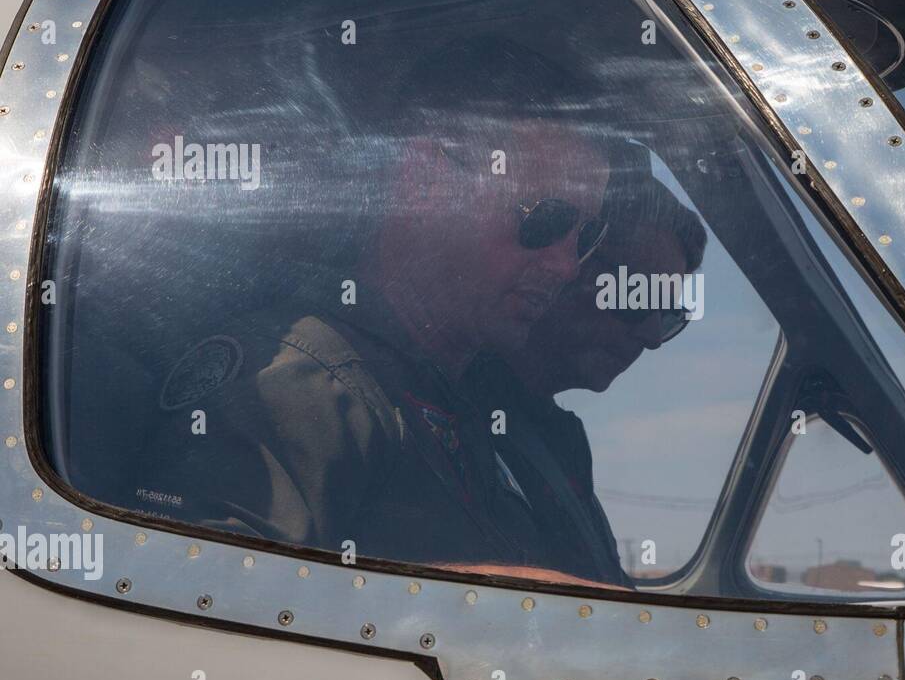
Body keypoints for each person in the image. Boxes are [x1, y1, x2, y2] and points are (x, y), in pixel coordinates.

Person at [133, 105, 612, 570]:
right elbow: (196, 588)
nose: (566, 266)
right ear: (427, 180)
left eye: (585, 236)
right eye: (546, 221)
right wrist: (493, 595)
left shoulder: (484, 417)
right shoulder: (297, 382)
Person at [465, 144, 708, 583]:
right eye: (636, 297)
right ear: (568, 262)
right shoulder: (455, 422)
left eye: (668, 315)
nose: (652, 337)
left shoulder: (556, 442)